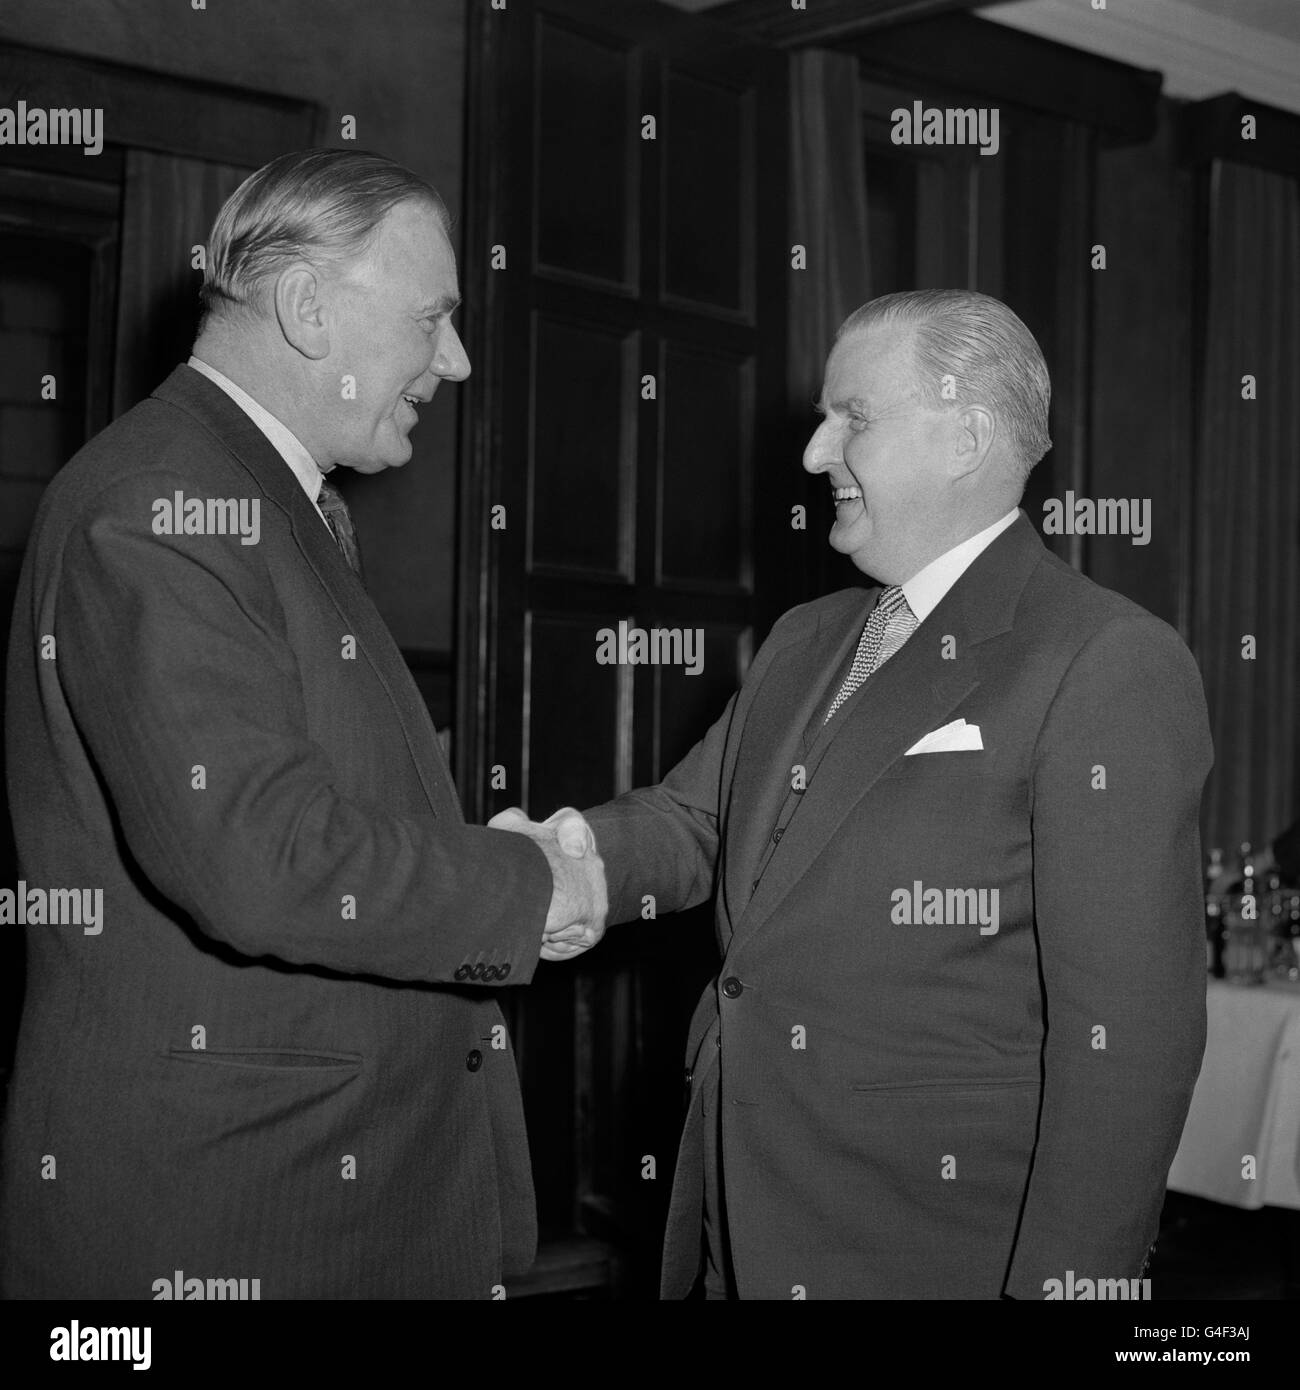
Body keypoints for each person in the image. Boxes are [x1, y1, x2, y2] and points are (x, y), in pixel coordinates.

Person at [495, 290, 1214, 1299]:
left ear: (965, 435)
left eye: (854, 418)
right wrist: (550, 868)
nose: (814, 452)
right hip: (740, 1202)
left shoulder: (1104, 659)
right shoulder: (807, 636)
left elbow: (1130, 1033)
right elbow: (696, 819)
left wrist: (1072, 1286)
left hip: (926, 1241)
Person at [1, 148, 605, 1299]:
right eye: (434, 318)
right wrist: (525, 884)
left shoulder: (260, 497)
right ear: (307, 307)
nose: (458, 359)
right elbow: (258, 856)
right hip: (233, 1218)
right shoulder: (162, 504)